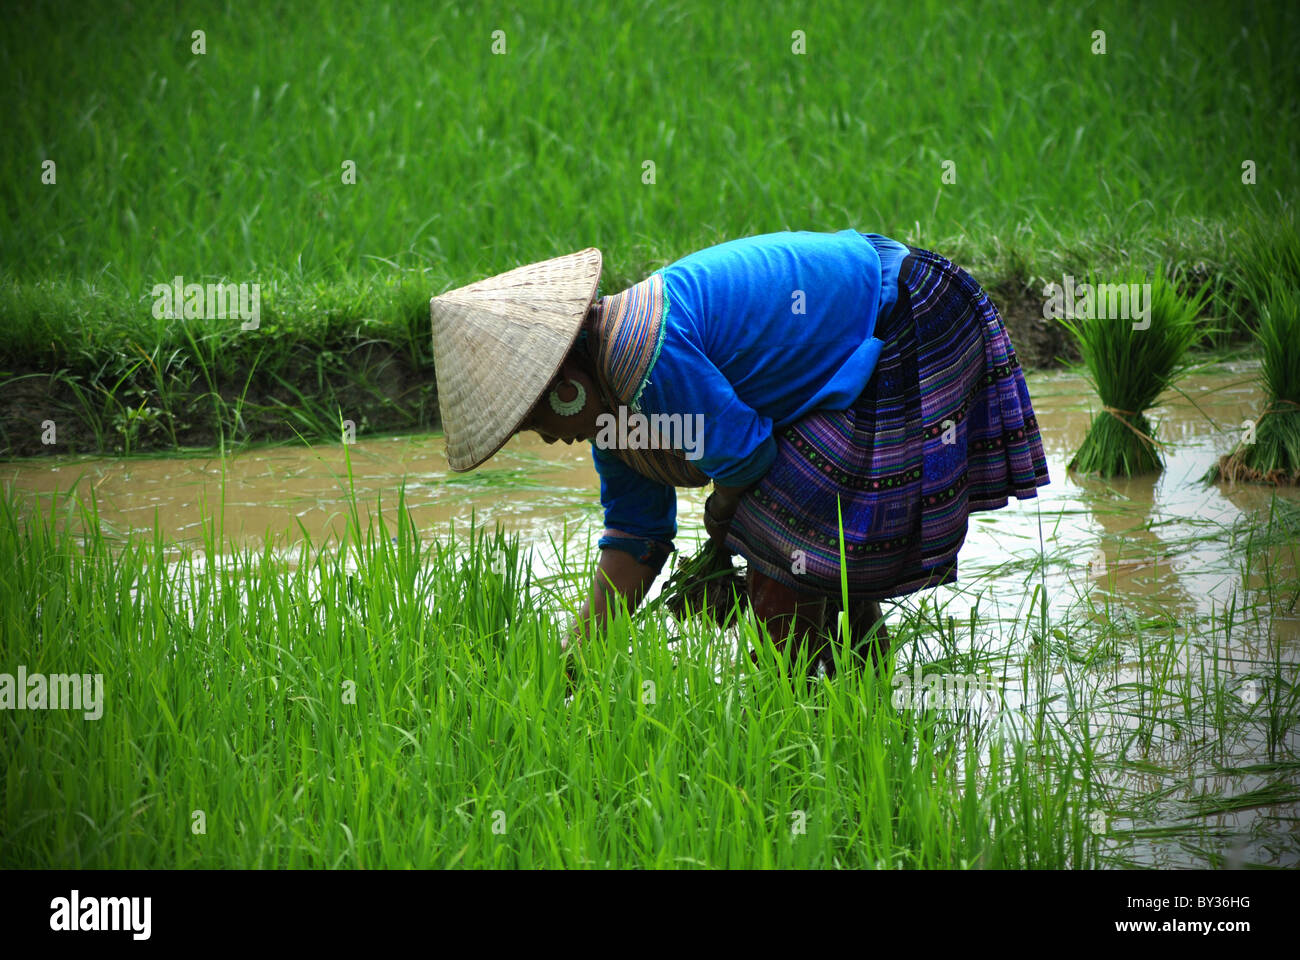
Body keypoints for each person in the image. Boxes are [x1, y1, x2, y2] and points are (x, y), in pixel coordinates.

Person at [430, 230, 1049, 678]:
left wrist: (722, 526)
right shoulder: (615, 420)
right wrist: (578, 656)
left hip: (902, 311)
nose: (550, 438)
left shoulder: (644, 354)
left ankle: (804, 702)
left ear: (563, 387)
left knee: (777, 528)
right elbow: (635, 538)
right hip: (872, 322)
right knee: (789, 526)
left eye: (537, 421)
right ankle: (853, 686)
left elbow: (747, 457)